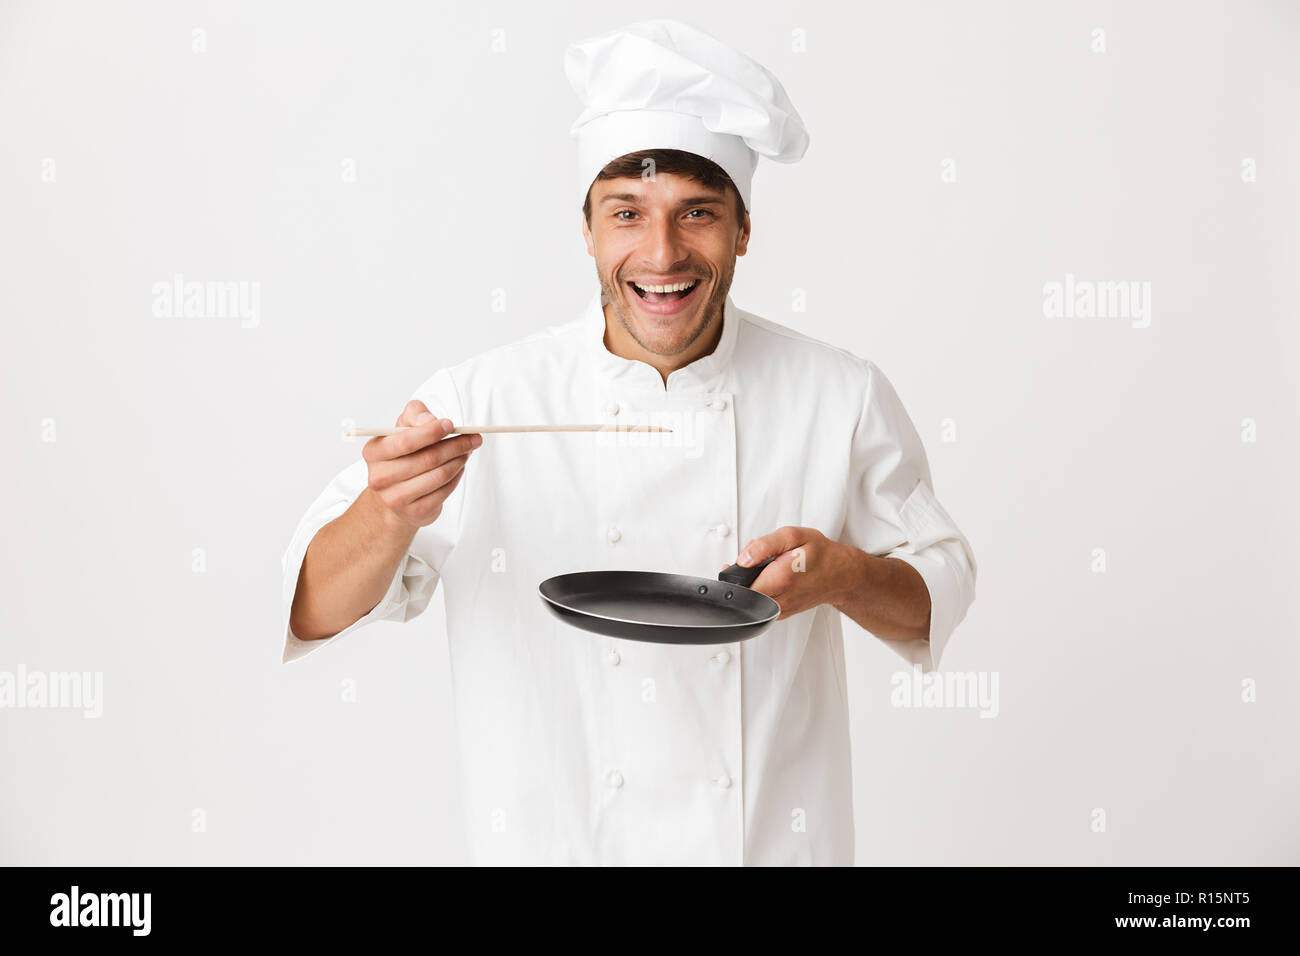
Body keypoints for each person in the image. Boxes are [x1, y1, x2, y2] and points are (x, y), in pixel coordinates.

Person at [280, 18, 977, 865]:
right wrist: (387, 513)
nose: (661, 253)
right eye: (626, 215)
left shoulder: (838, 394)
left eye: (697, 214)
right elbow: (311, 609)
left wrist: (843, 575)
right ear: (586, 230)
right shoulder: (481, 400)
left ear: (743, 229)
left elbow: (938, 591)